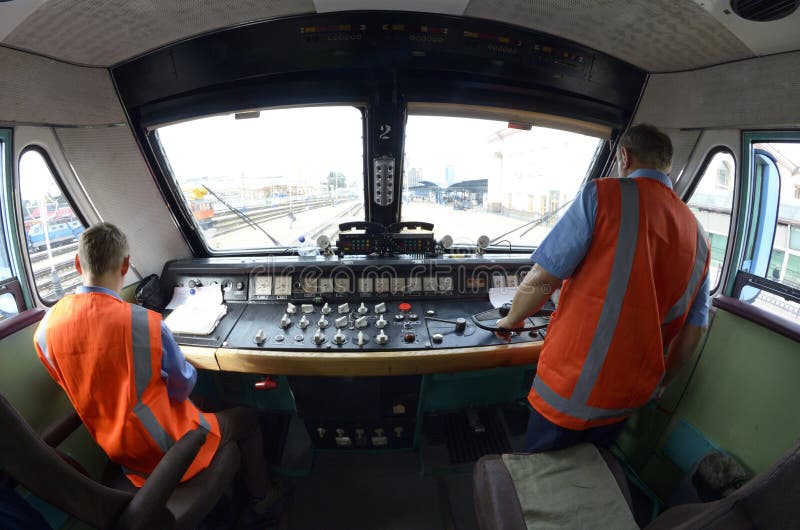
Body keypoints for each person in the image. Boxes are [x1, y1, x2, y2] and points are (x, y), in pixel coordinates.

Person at [33, 222, 278, 517]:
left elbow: (83, 383)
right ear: (126, 264)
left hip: (118, 450)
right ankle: (262, 500)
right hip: (168, 450)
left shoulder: (45, 330)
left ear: (76, 264)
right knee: (247, 419)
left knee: (205, 405)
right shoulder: (143, 323)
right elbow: (182, 386)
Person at [496, 124, 710, 453]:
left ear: (624, 156)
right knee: (589, 469)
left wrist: (511, 320)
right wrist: (661, 383)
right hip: (630, 395)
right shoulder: (700, 236)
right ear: (667, 165)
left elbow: (543, 279)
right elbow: (695, 330)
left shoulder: (603, 195)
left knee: (543, 478)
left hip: (570, 389)